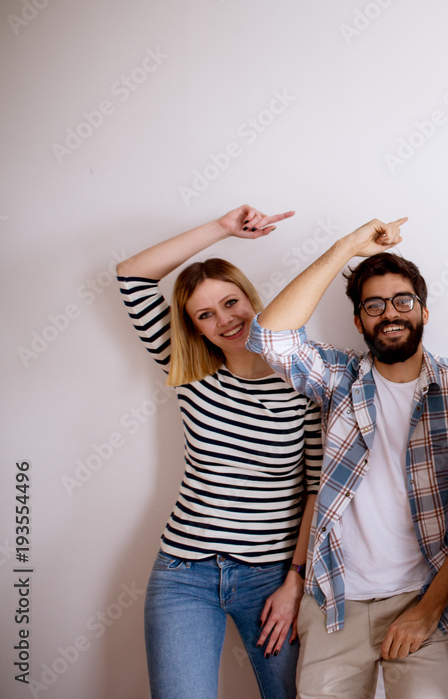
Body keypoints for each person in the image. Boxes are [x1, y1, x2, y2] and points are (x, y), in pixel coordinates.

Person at [246, 217, 448, 699]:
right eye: (373, 305)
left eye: (403, 301)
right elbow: (269, 336)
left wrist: (429, 609)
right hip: (334, 603)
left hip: (422, 601)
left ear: (423, 311)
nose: (390, 313)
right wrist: (347, 247)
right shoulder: (337, 378)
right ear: (358, 321)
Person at [116, 205, 323, 699]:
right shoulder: (189, 367)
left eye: (231, 303)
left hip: (271, 577)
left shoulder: (306, 377)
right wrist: (222, 230)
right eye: (205, 314)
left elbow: (317, 489)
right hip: (183, 574)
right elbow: (131, 276)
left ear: (252, 299)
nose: (224, 320)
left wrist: (294, 582)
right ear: (195, 327)